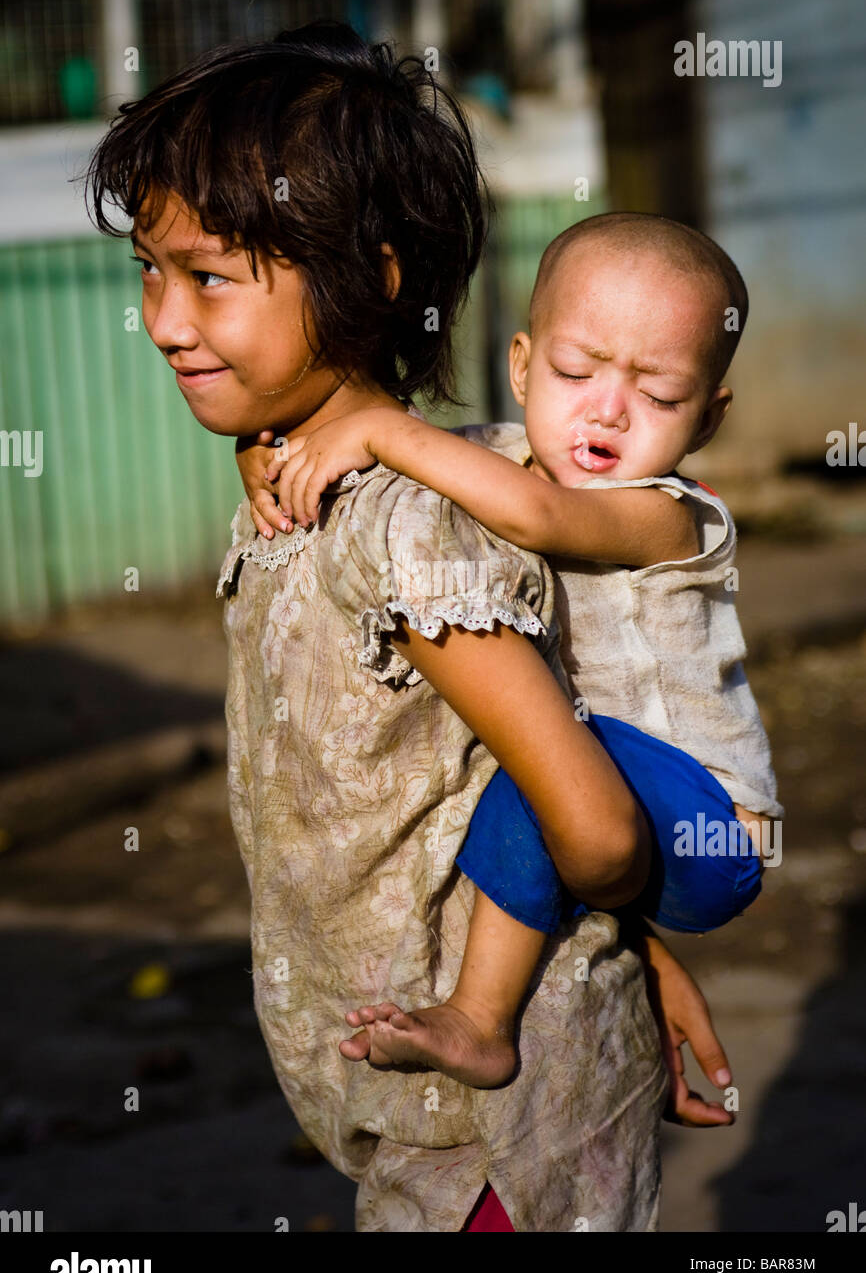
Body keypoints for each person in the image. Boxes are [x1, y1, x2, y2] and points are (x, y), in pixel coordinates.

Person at [84, 23, 735, 1234]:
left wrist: (617, 948)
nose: (165, 321)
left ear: (376, 276)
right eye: (149, 272)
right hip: (416, 1103)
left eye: (210, 277)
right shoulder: (292, 486)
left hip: (496, 1124)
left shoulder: (407, 531)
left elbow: (588, 827)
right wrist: (635, 955)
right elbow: (494, 776)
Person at [239, 211, 783, 1093]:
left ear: (709, 416)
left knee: (545, 771)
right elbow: (380, 461)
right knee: (556, 767)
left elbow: (535, 518)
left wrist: (380, 432)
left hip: (710, 823)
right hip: (625, 823)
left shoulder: (672, 515)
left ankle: (479, 1021)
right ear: (523, 365)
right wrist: (267, 460)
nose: (607, 408)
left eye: (658, 396)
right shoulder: (499, 460)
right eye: (576, 372)